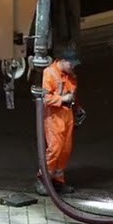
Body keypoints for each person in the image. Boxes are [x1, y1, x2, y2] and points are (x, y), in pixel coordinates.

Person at [36, 50, 85, 196]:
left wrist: (77, 107)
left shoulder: (70, 75)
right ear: (62, 60)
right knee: (54, 149)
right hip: (53, 116)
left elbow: (72, 94)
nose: (73, 67)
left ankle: (58, 181)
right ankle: (42, 180)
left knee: (65, 150)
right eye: (71, 63)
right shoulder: (49, 73)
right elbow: (45, 99)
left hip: (67, 115)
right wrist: (63, 100)